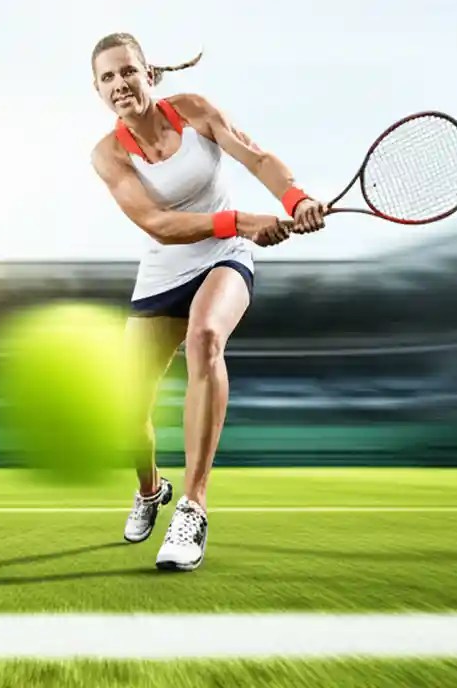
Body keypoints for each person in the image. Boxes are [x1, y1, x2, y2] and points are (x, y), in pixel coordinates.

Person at [89, 32, 326, 571]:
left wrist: (296, 199)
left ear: (148, 74)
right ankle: (151, 490)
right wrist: (242, 218)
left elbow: (257, 157)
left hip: (225, 256)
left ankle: (192, 506)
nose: (120, 83)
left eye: (128, 70)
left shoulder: (195, 111)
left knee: (205, 338)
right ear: (98, 91)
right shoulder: (106, 156)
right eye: (107, 77)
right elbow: (160, 224)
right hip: (165, 268)